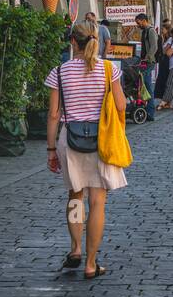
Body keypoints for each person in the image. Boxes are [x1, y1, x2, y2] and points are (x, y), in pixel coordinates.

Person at [44, 23, 127, 280]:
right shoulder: (108, 68)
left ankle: (76, 248)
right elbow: (122, 104)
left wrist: (50, 149)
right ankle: (91, 263)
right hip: (102, 139)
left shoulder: (59, 72)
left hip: (70, 139)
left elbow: (54, 115)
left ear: (72, 42)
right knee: (98, 201)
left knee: (75, 196)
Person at [136, 13, 158, 121]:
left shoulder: (151, 30)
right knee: (144, 85)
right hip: (145, 61)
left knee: (148, 86)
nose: (137, 25)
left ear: (143, 20)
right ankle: (147, 109)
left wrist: (147, 57)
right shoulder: (144, 31)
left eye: (138, 22)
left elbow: (154, 46)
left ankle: (150, 112)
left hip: (149, 62)